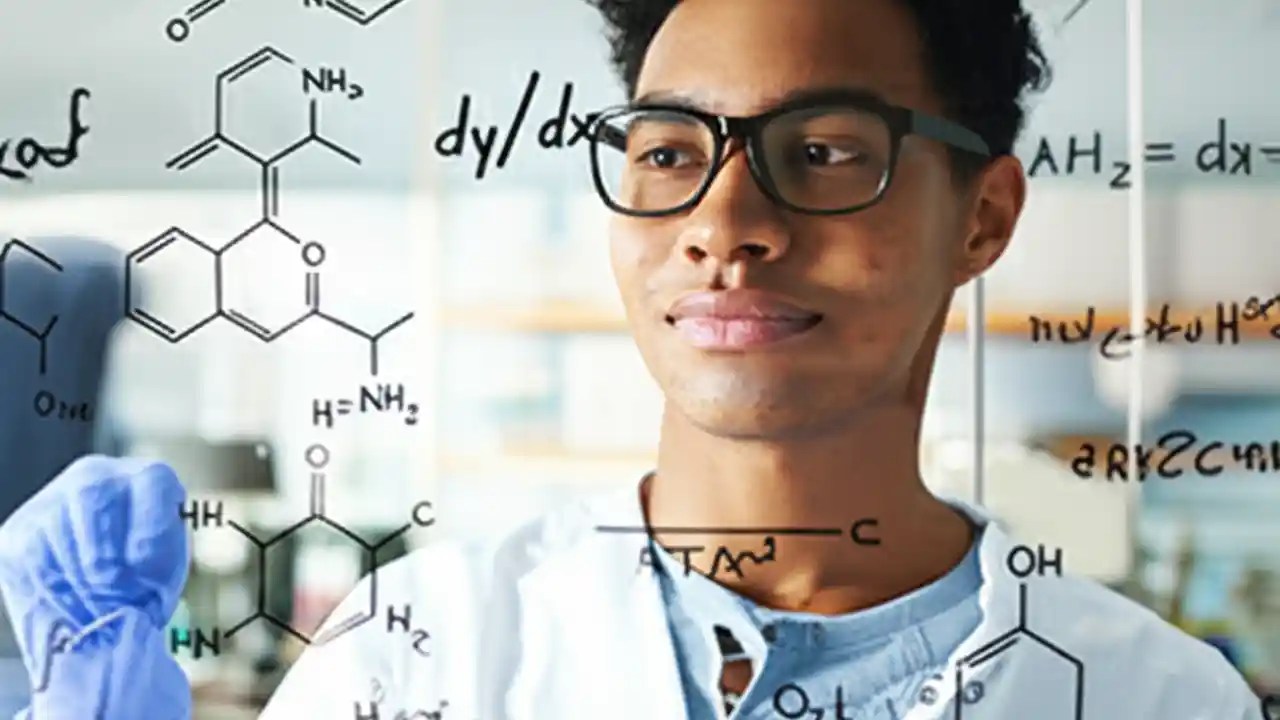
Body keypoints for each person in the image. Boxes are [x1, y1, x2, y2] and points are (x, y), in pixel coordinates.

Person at [0, 0, 1266, 717]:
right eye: (668, 154)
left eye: (822, 150)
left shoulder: (1155, 700)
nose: (723, 224)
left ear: (980, 217)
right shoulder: (418, 653)